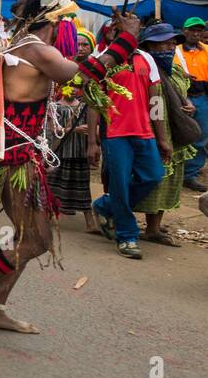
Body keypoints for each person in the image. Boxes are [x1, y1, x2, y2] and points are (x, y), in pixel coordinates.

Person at [0, 0, 144, 330]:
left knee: (27, 237)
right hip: (15, 161)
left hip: (19, 156)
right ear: (55, 19)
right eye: (67, 18)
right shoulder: (36, 48)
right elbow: (83, 78)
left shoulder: (23, 43)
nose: (70, 25)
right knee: (36, 241)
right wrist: (128, 39)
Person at [89, 22, 167, 260]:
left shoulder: (146, 59)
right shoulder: (102, 60)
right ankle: (127, 235)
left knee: (154, 175)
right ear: (111, 33)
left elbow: (156, 100)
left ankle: (106, 205)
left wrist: (162, 138)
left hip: (144, 132)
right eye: (118, 30)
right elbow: (94, 101)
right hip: (115, 133)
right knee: (120, 184)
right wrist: (92, 141)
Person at [134, 22, 198, 246]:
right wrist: (160, 137)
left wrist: (188, 104)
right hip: (154, 130)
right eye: (163, 44)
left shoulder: (177, 69)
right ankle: (137, 223)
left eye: (172, 43)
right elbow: (152, 104)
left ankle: (155, 227)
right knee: (155, 178)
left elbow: (183, 92)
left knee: (171, 180)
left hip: (176, 131)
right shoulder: (144, 69)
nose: (169, 47)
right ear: (150, 46)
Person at [46, 26, 99, 233]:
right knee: (54, 175)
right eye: (78, 44)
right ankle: (47, 214)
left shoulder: (94, 72)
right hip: (59, 122)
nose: (81, 48)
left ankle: (90, 221)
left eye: (86, 44)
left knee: (81, 178)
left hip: (82, 124)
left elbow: (96, 101)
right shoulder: (62, 66)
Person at [176, 16, 208, 191]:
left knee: (201, 136)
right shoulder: (175, 51)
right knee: (180, 134)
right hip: (181, 97)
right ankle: (176, 171)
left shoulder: (207, 50)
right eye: (192, 30)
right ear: (184, 31)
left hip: (203, 97)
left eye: (199, 30)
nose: (196, 33)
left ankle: (190, 174)